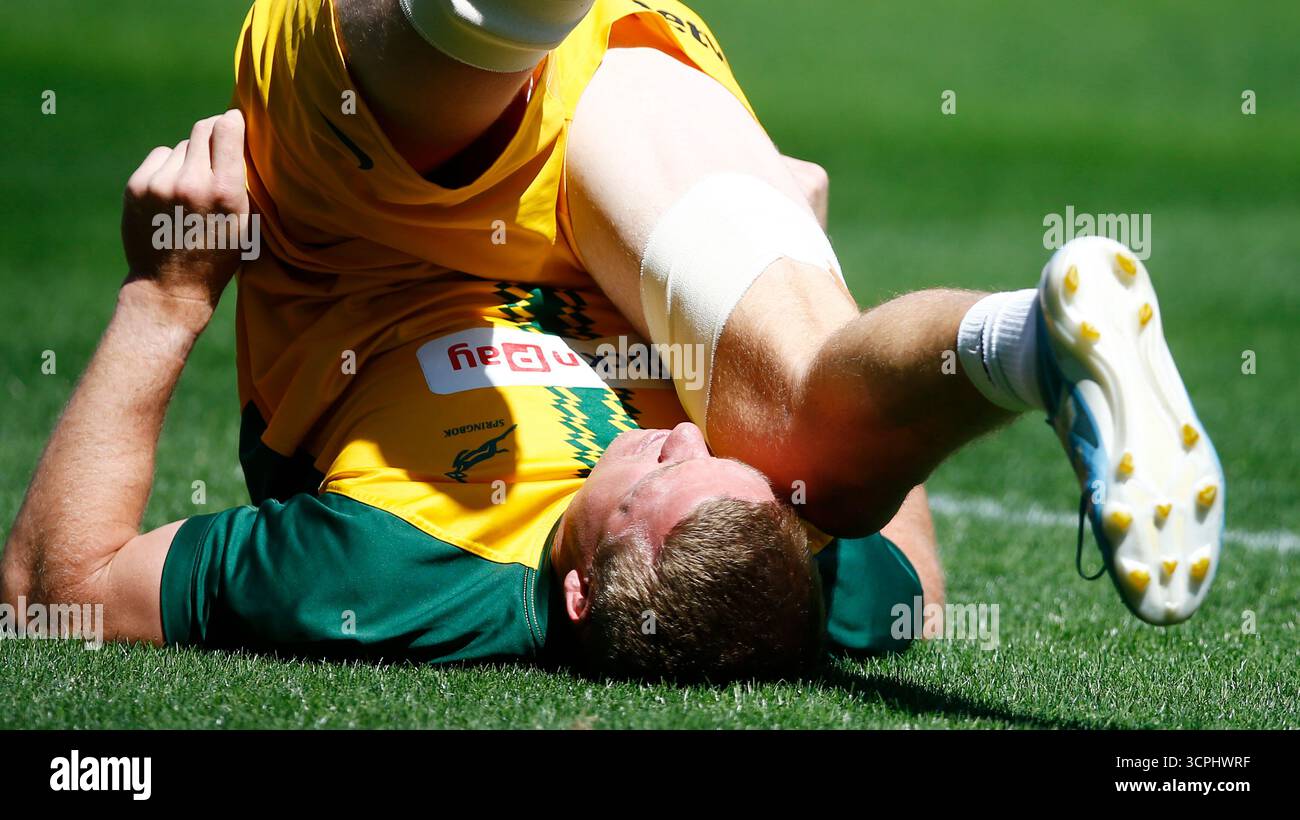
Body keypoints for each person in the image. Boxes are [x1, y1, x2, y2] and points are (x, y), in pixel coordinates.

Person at [1, 0, 1222, 681]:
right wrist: (804, 275)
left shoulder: (397, 577)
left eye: (660, 474)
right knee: (817, 451)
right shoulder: (785, 576)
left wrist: (163, 298)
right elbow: (915, 585)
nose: (686, 437)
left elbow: (51, 593)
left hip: (369, 216)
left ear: (579, 590)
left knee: (462, 49)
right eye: (719, 465)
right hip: (636, 164)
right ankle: (1028, 342)